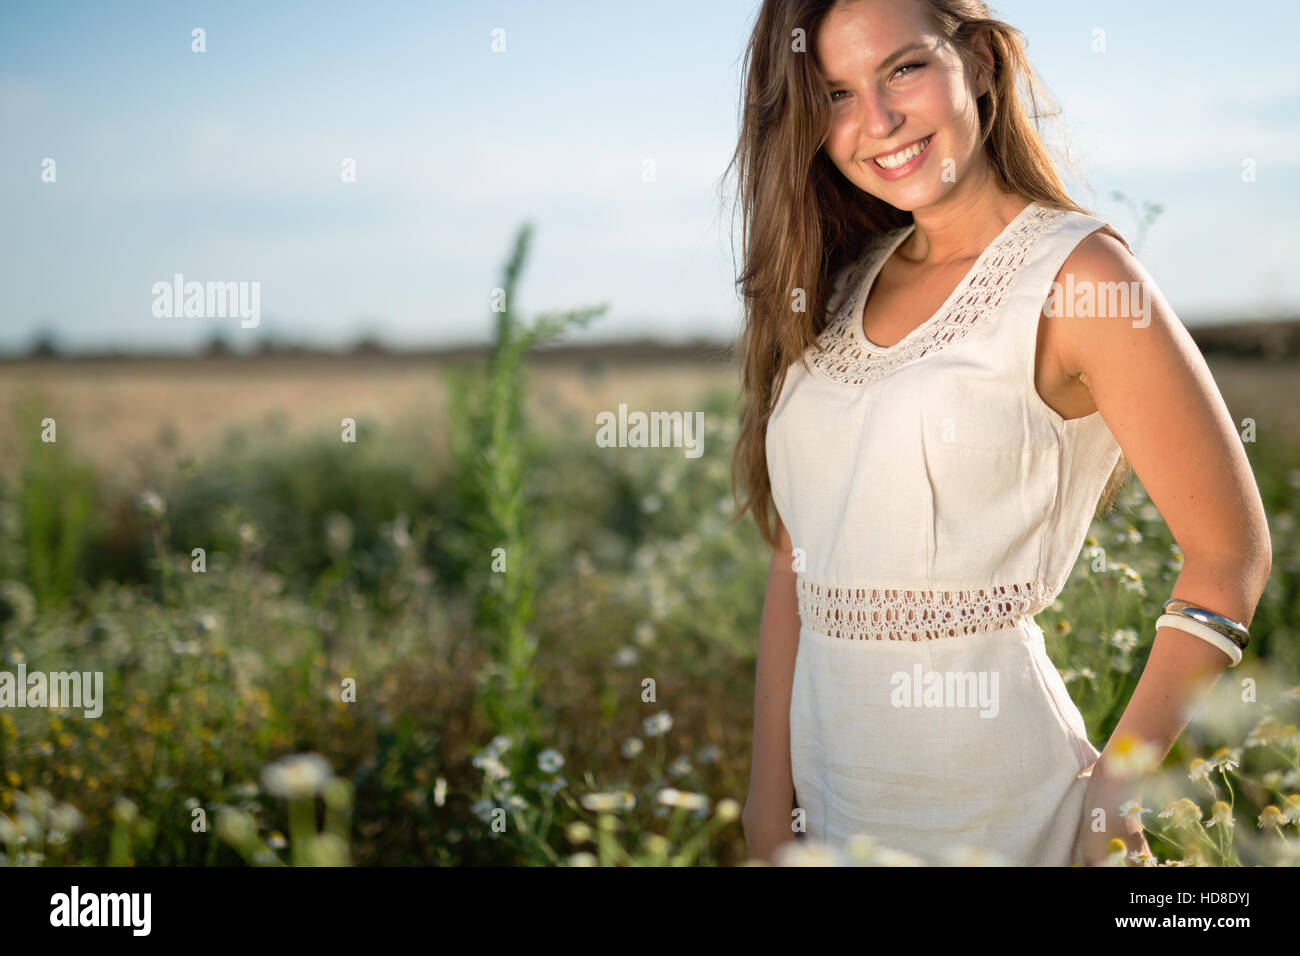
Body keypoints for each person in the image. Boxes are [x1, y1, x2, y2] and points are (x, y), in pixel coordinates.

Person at [725, 0, 1272, 865]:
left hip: (1006, 817)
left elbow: (1230, 555)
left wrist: (1112, 797)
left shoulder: (1080, 274)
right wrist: (767, 805)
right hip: (827, 812)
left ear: (978, 61)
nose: (878, 121)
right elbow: (798, 553)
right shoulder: (838, 282)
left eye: (904, 68)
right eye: (834, 93)